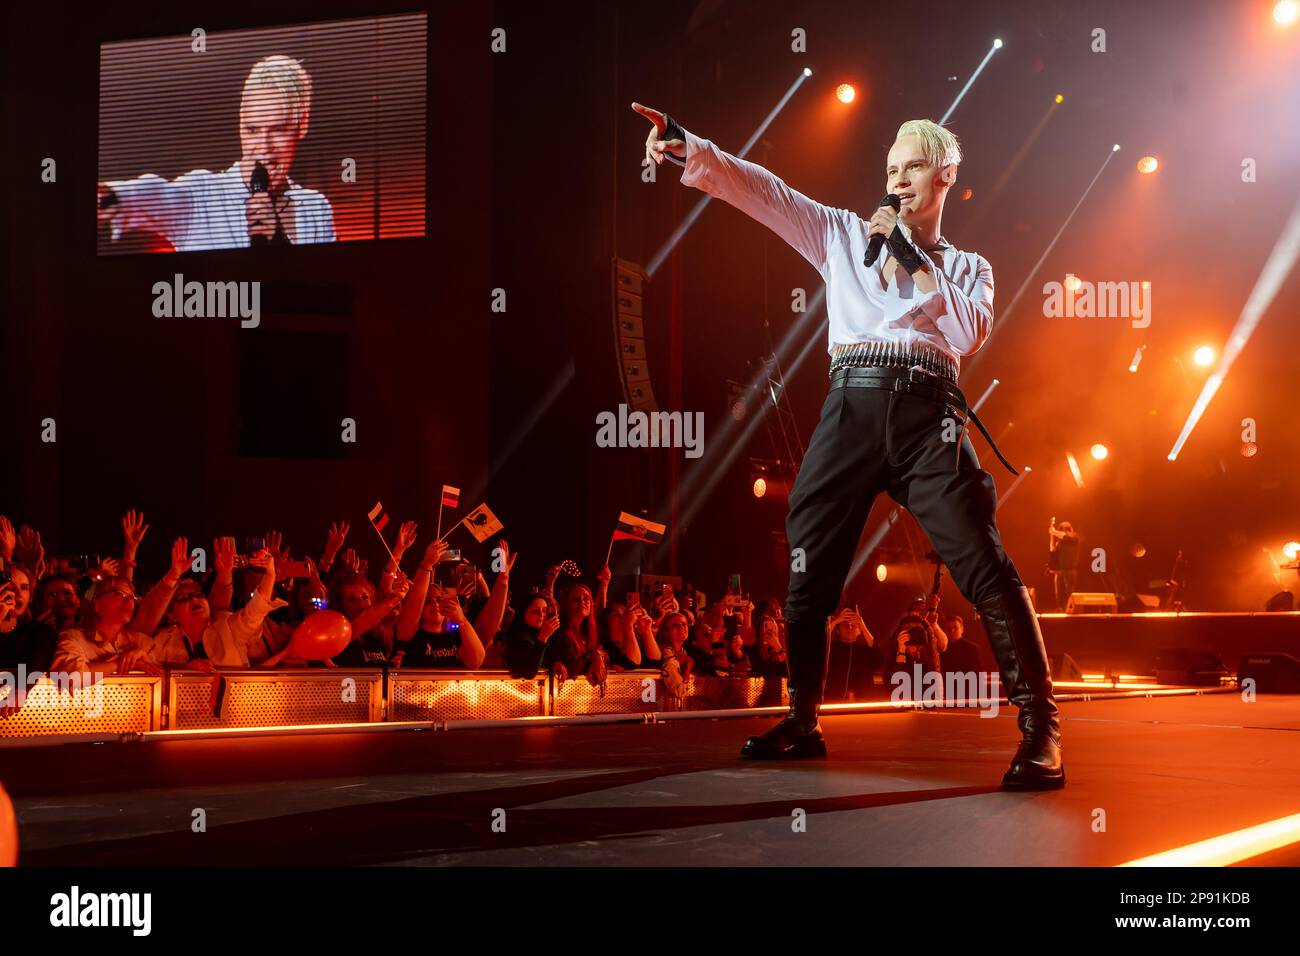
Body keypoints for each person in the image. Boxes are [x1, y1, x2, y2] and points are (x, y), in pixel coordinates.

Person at [634, 103, 1063, 789]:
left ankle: (1041, 729)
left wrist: (910, 259)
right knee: (809, 559)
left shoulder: (971, 267)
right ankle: (803, 719)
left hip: (930, 414)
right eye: (891, 168)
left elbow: (966, 333)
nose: (898, 179)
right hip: (853, 403)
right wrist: (693, 147)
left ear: (946, 175)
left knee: (985, 563)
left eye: (914, 166)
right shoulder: (839, 233)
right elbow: (766, 191)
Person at [98, 55, 335, 251]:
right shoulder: (203, 193)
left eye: (278, 129)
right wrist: (112, 195)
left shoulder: (315, 207)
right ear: (240, 124)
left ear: (301, 125)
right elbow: (156, 192)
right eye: (252, 130)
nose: (263, 145)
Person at [1047, 518, 1080, 611]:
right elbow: (1052, 550)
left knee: (1069, 593)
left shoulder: (1074, 537)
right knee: (1059, 593)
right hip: (1059, 571)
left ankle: (1070, 609)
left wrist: (1053, 531)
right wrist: (1051, 536)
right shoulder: (1060, 542)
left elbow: (1065, 536)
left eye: (1064, 529)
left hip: (1069, 570)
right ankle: (1060, 609)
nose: (1062, 532)